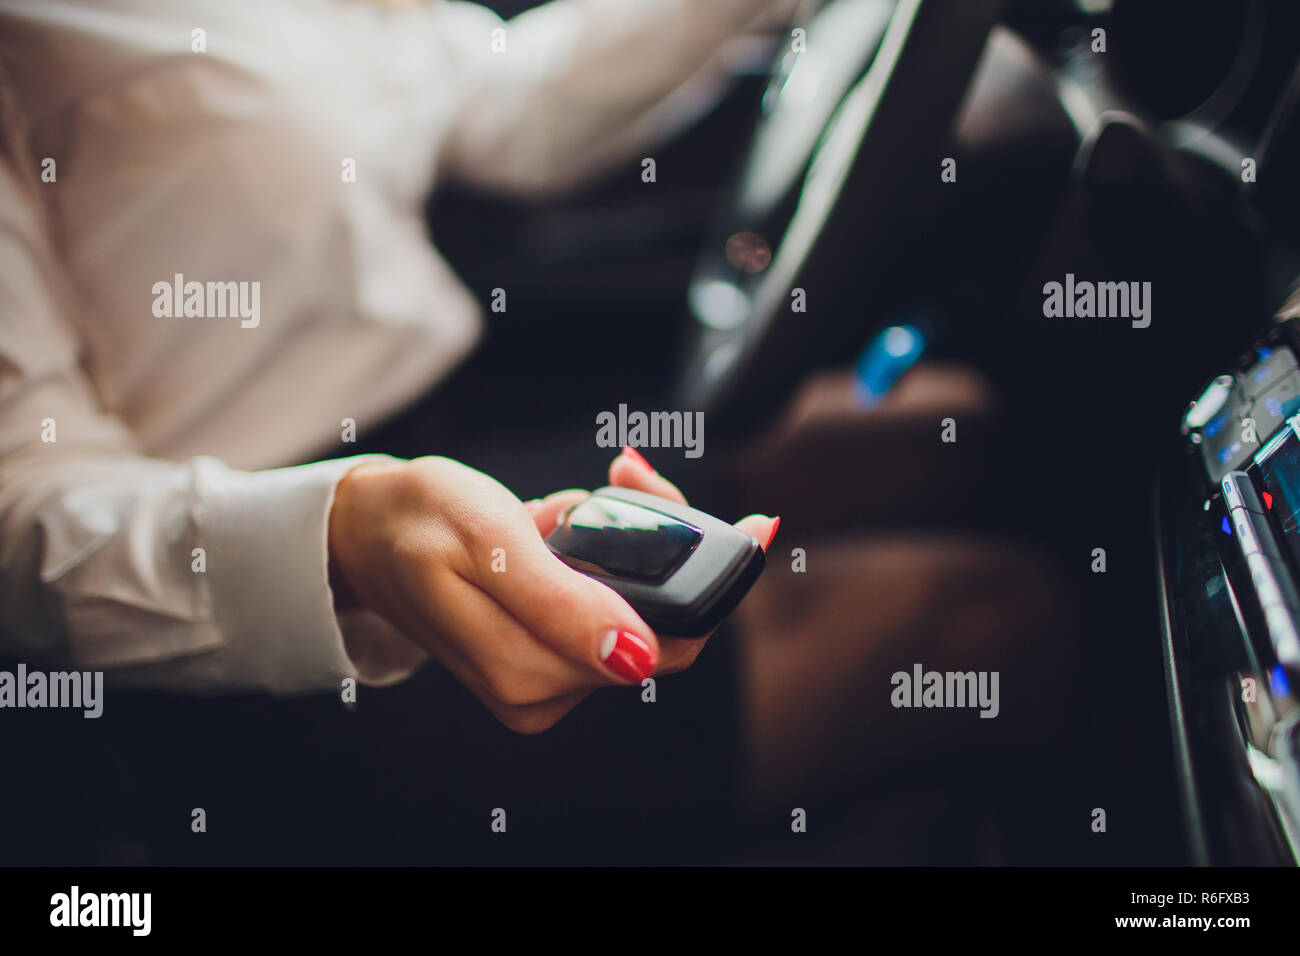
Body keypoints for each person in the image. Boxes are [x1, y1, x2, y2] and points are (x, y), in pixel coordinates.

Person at [0, 0, 791, 731]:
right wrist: (337, 538)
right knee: (890, 594)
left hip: (446, 444)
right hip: (262, 609)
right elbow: (21, 494)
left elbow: (498, 99)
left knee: (819, 446)